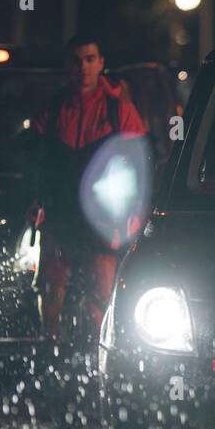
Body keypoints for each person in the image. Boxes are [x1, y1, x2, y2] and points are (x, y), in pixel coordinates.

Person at [33, 34, 146, 341]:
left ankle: (98, 354)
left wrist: (131, 209)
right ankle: (50, 347)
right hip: (61, 210)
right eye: (76, 60)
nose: (83, 67)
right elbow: (36, 159)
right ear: (67, 66)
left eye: (90, 59)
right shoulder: (53, 109)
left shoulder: (118, 110)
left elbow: (140, 158)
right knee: (51, 288)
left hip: (102, 217)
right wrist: (36, 200)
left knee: (102, 291)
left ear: (101, 64)